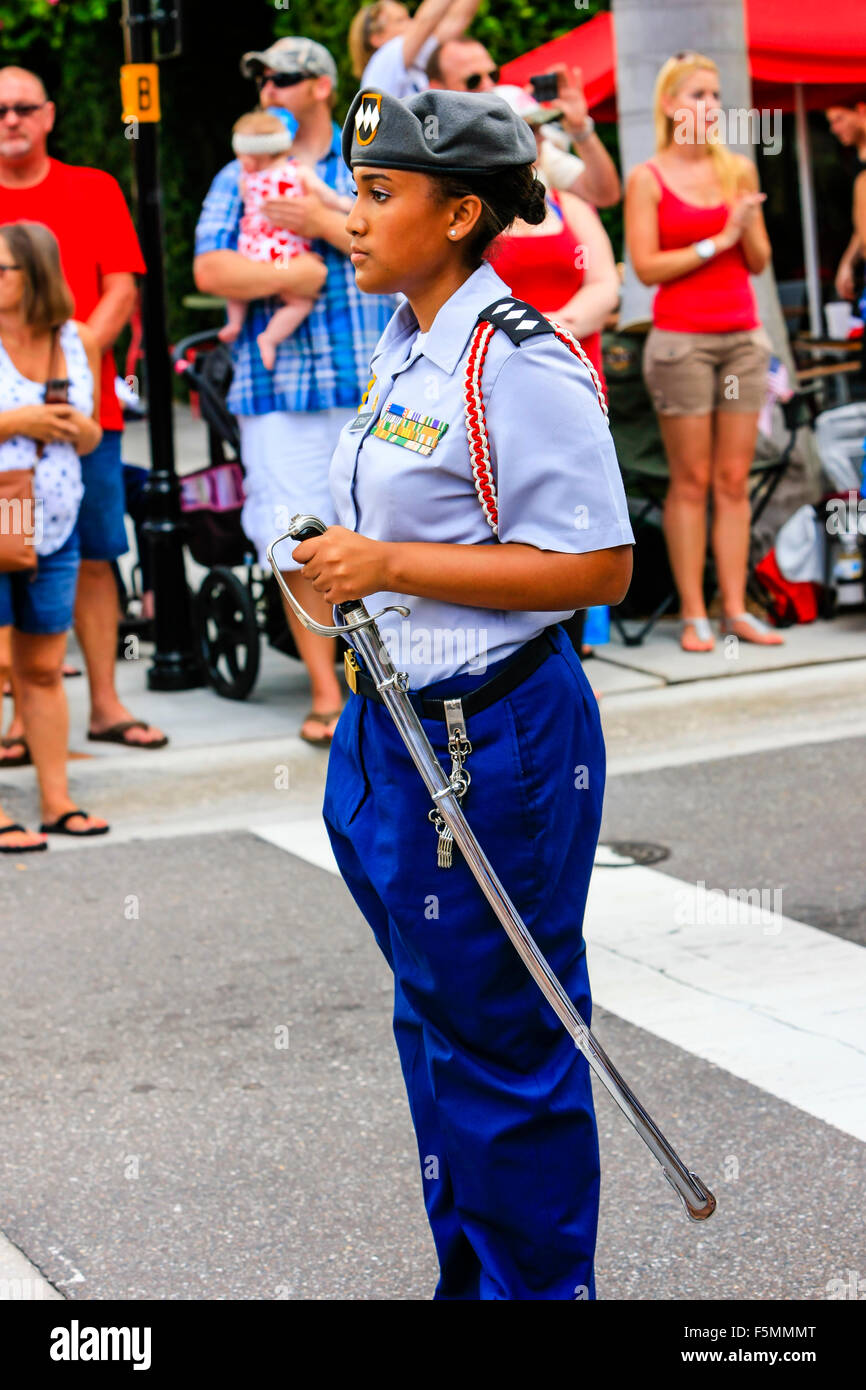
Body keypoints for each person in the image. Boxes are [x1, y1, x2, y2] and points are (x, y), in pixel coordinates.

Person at [294, 86, 633, 1299]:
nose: (354, 214)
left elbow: (596, 565)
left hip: (490, 739)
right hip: (396, 738)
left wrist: (384, 563)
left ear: (458, 215)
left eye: (379, 193)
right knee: (440, 1040)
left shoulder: (518, 359)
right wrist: (340, 567)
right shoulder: (403, 341)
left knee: (503, 1050)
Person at [194, 37, 397, 748]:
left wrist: (325, 225)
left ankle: (394, 680)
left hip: (378, 384)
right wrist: (289, 279)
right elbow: (211, 269)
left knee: (391, 534)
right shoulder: (239, 173)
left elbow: (410, 250)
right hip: (281, 389)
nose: (268, 92)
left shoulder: (369, 167)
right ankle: (328, 693)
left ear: (318, 87)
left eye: (280, 80)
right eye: (261, 81)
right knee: (294, 541)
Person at [0, 66, 168, 759]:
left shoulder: (91, 188)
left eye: (22, 108)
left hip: (82, 415)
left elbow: (121, 289)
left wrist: (63, 366)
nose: (9, 119)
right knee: (8, 560)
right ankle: (22, 716)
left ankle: (104, 703)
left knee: (96, 555)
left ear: (48, 115)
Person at [625, 51, 781, 653]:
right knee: (689, 480)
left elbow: (761, 261)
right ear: (669, 105)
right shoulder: (648, 177)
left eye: (715, 96)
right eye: (697, 95)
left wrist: (746, 223)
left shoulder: (738, 169)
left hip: (742, 339)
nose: (710, 107)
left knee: (733, 480)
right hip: (682, 345)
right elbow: (646, 266)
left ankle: (735, 609)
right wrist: (719, 239)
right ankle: (693, 613)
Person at [0, 222, 108, 851]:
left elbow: (93, 433)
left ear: (35, 275)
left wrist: (76, 429)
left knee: (42, 668)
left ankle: (57, 801)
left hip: (55, 521)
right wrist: (23, 419)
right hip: (5, 515)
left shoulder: (78, 339)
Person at [486, 86, 620, 397]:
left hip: (575, 374)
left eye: (538, 127)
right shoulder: (472, 215)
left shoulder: (568, 204)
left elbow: (604, 282)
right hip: (499, 380)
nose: (541, 137)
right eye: (527, 129)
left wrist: (549, 329)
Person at [220, 111, 353, 371]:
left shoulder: (245, 179)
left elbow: (249, 200)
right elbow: (325, 196)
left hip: (253, 249)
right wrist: (341, 203)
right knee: (300, 302)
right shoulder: (297, 172)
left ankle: (234, 322)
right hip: (285, 252)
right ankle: (269, 338)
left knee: (235, 292)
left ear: (252, 156)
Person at [428, 43, 621, 208]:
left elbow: (605, 195)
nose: (488, 85)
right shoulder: (430, 158)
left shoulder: (537, 151)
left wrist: (581, 131)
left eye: (493, 75)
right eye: (473, 80)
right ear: (437, 89)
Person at [349, 0, 481, 99]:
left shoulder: (414, 61)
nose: (412, 24)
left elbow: (458, 20)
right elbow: (425, 21)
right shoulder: (382, 60)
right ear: (377, 38)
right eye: (400, 20)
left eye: (409, 17)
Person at [826, 100, 866, 304]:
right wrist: (847, 263)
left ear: (861, 111)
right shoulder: (857, 161)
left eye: (839, 119)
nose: (835, 129)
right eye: (831, 123)